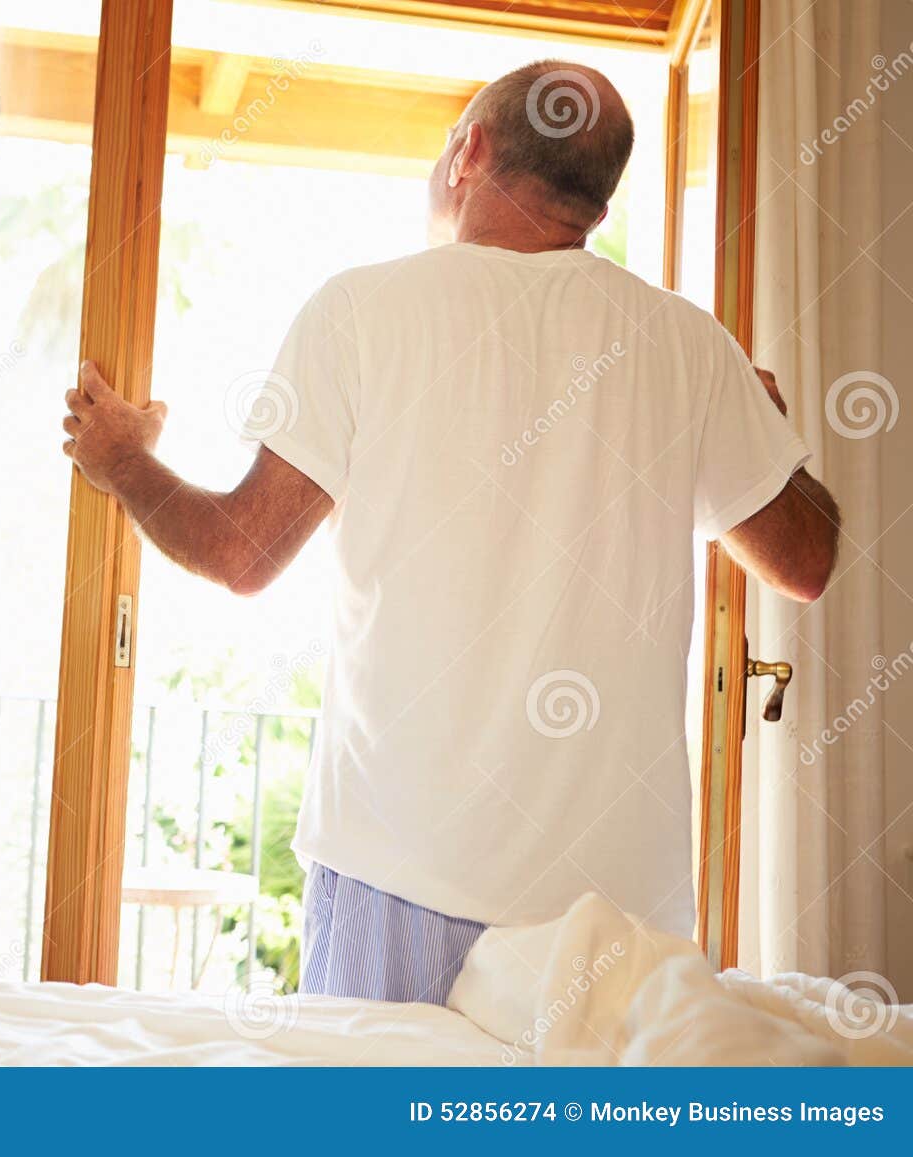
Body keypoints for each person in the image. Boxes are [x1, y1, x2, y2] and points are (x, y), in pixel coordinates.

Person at [58, 60, 840, 1003]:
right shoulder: (686, 341)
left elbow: (241, 553)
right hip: (616, 909)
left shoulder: (360, 309)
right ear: (597, 199)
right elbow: (806, 559)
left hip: (402, 875)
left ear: (468, 150)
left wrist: (123, 461)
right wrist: (771, 440)